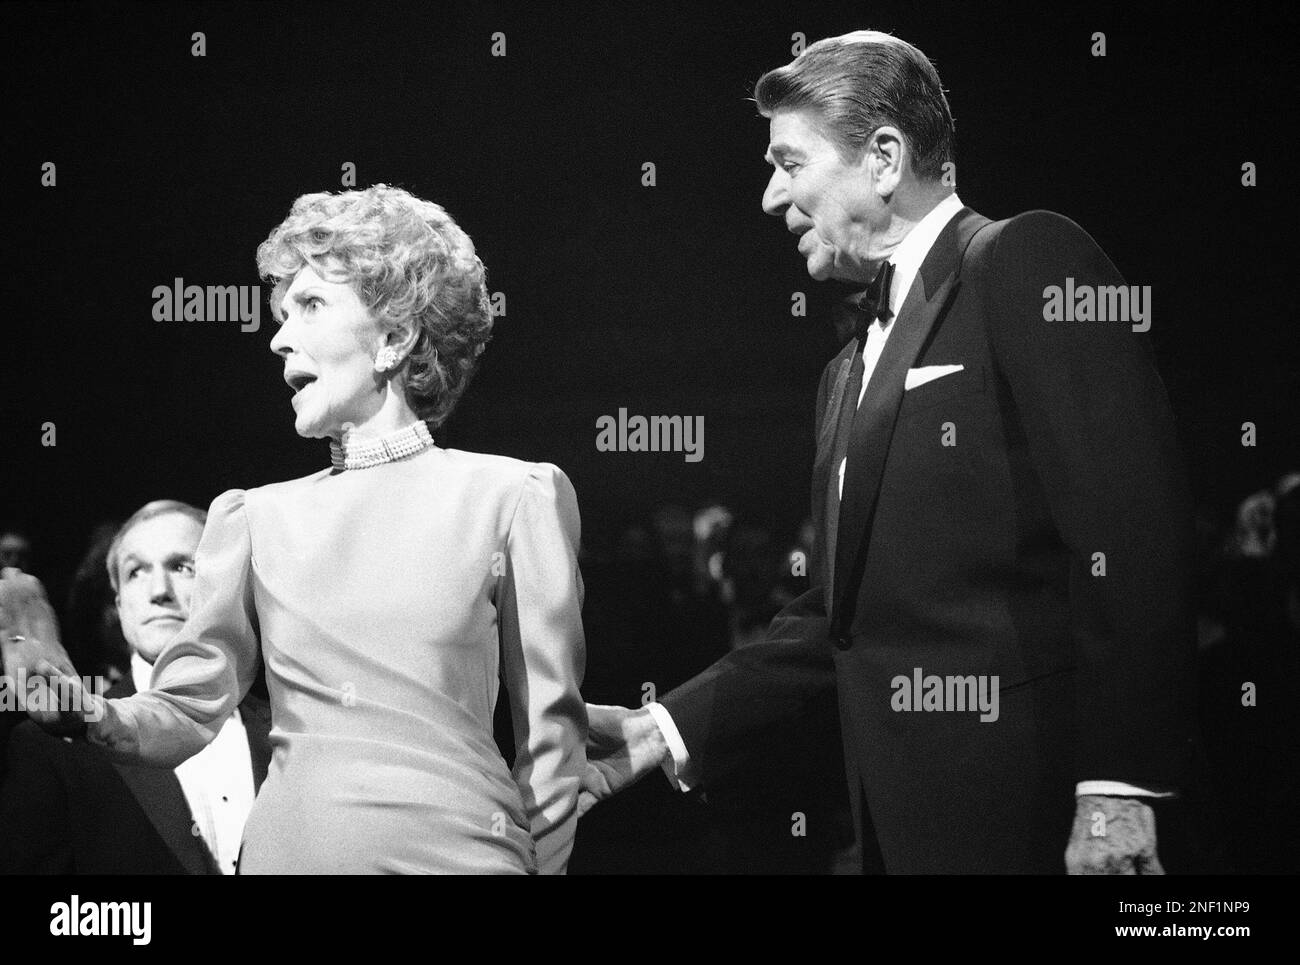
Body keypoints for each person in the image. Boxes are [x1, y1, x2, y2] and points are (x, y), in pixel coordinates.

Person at [583, 30, 1196, 874]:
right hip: (902, 832)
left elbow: (1130, 531)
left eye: (788, 163)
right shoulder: (845, 368)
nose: (770, 198)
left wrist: (1121, 783)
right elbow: (843, 616)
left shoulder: (1026, 255)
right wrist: (663, 729)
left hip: (1050, 819)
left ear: (881, 157)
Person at [25, 185, 587, 874]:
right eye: (281, 311)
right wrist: (83, 711)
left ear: (394, 335)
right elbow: (185, 708)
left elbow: (552, 744)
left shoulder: (514, 495)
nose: (279, 335)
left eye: (311, 305)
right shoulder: (251, 518)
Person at [0, 501, 272, 874]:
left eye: (182, 567)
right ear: (119, 603)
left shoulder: (290, 727)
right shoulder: (53, 746)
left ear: (222, 589)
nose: (159, 590)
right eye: (136, 573)